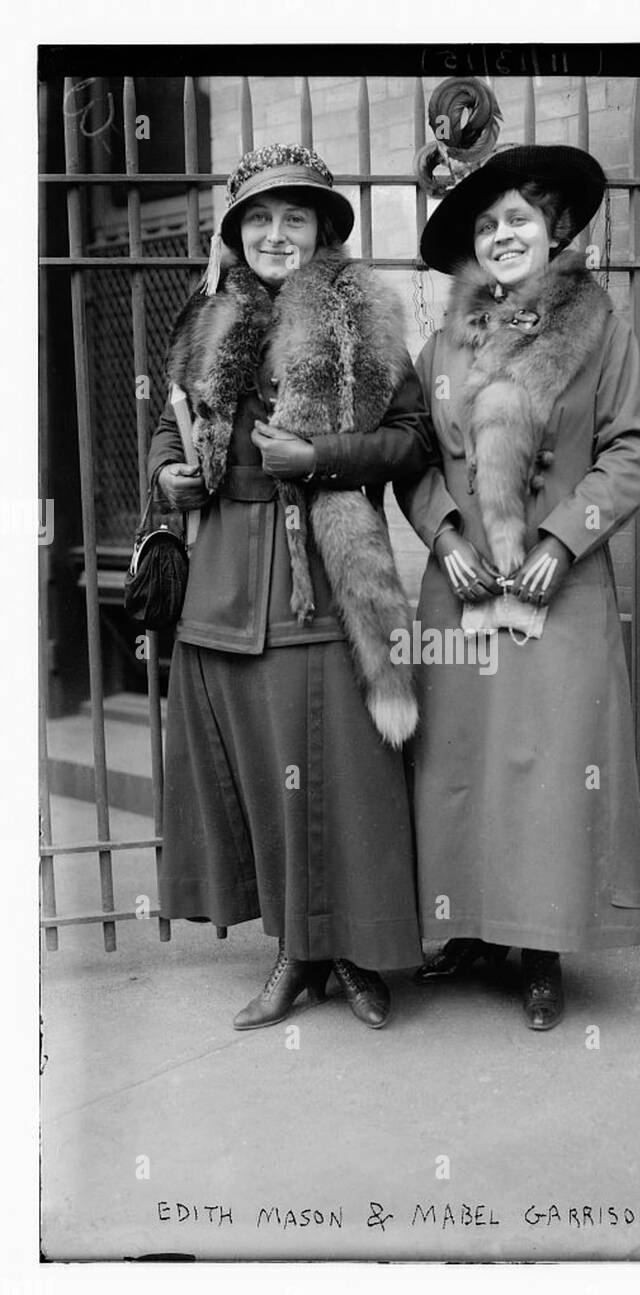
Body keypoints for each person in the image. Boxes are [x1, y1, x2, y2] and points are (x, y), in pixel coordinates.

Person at [147, 143, 437, 1030]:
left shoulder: (368, 316)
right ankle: (292, 952)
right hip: (225, 587)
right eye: (261, 219)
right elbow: (171, 424)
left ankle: (351, 953)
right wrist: (170, 476)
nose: (277, 234)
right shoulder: (206, 317)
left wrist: (321, 457)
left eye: (295, 217)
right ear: (239, 234)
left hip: (323, 574)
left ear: (321, 231)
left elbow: (414, 439)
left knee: (341, 776)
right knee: (266, 779)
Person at [398, 144, 640, 1031]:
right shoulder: (438, 347)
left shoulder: (601, 332)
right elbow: (413, 460)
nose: (502, 235)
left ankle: (541, 949)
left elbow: (631, 450)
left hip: (561, 586)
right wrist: (440, 535)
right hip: (464, 590)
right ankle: (468, 927)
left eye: (517, 219)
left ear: (555, 230)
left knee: (550, 768)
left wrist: (563, 538)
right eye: (486, 225)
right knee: (462, 765)